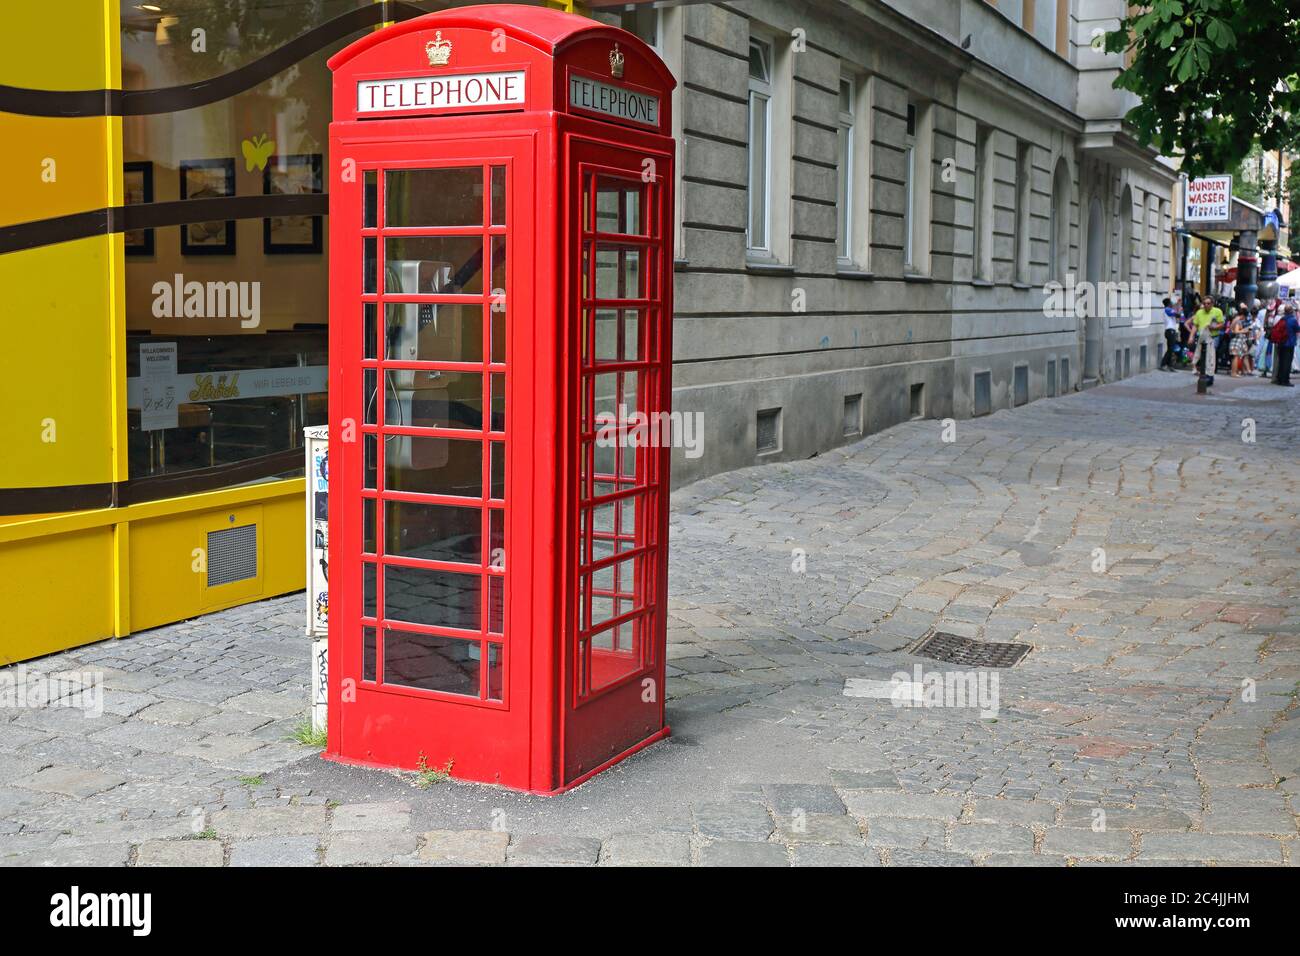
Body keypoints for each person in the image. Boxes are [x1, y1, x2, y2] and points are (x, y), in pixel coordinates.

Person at [1189, 295, 1224, 385]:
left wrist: (1214, 327)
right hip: (1202, 336)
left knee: (1210, 356)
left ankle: (1209, 376)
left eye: (1208, 303)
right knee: (1202, 356)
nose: (1206, 305)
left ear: (1212, 304)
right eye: (1204, 303)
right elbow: (1195, 325)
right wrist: (1191, 336)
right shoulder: (1199, 312)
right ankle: (1205, 374)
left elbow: (1221, 324)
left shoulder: (1217, 311)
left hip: (1213, 337)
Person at [1273, 303, 1298, 387]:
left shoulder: (1282, 319)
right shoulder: (1293, 320)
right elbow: (1297, 329)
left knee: (1281, 361)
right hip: (1289, 343)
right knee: (1287, 363)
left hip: (1281, 343)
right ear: (1291, 311)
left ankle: (1279, 379)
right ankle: (1285, 380)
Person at [1160, 297, 1181, 370]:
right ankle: (1163, 364)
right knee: (1170, 349)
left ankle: (1170, 365)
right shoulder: (1167, 309)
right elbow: (1177, 315)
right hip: (1170, 331)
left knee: (1171, 349)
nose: (1172, 303)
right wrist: (1179, 309)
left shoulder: (1169, 309)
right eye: (1171, 302)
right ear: (1168, 303)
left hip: (1171, 330)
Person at [1229, 305, 1250, 376]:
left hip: (1235, 339)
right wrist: (1245, 331)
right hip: (1236, 340)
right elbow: (1236, 331)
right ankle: (1234, 372)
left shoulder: (1235, 319)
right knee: (1235, 356)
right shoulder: (1238, 320)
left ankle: (1235, 372)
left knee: (1236, 356)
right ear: (1244, 315)